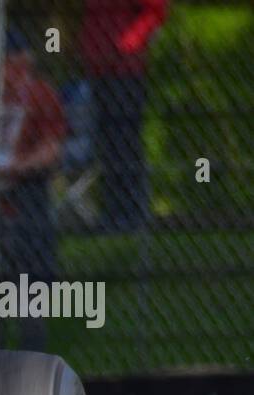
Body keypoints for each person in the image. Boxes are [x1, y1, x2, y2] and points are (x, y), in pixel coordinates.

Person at [0, 30, 68, 350]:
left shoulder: (40, 95)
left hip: (26, 201)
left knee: (29, 295)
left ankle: (32, 362)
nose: (14, 75)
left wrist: (18, 167)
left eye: (20, 66)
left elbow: (52, 149)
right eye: (8, 67)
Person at [80, 0, 169, 231]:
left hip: (126, 71)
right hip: (99, 69)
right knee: (107, 142)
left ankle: (131, 213)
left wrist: (130, 43)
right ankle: (112, 212)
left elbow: (156, 10)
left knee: (125, 139)